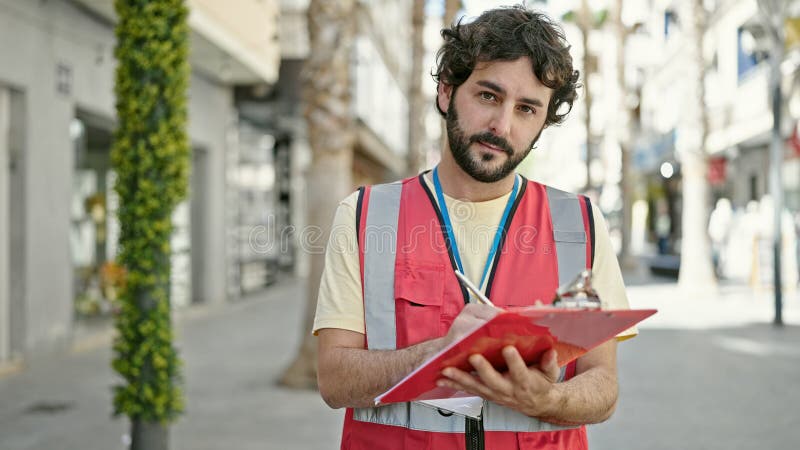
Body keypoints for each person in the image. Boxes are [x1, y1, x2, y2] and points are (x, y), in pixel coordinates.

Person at [313, 6, 635, 450]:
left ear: (543, 123)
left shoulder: (580, 224)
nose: (502, 125)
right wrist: (438, 354)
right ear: (447, 91)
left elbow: (604, 386)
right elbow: (333, 379)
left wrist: (549, 398)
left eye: (526, 109)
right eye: (488, 96)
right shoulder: (365, 215)